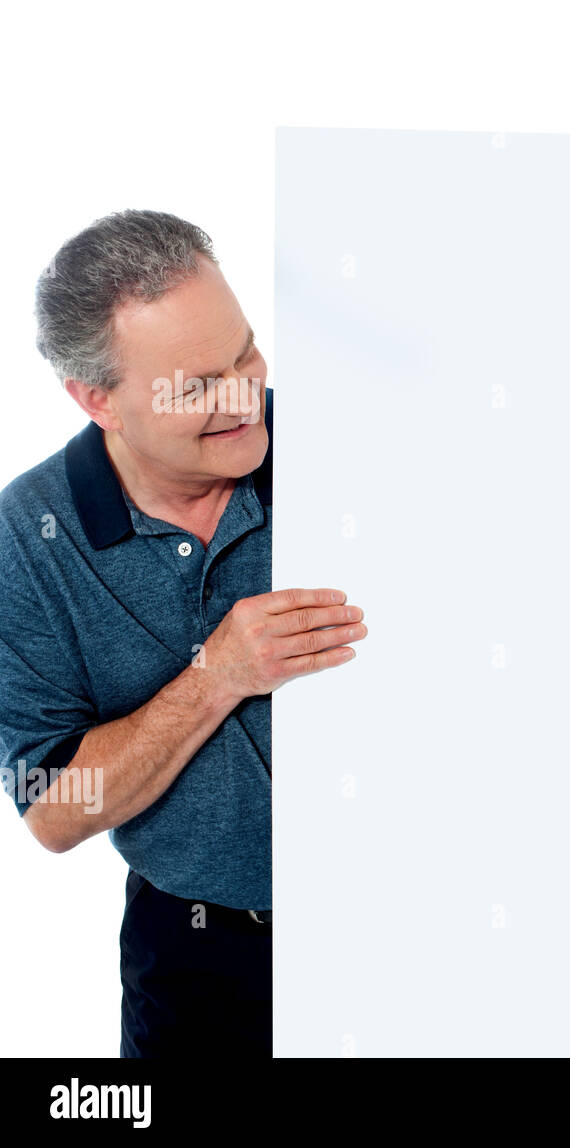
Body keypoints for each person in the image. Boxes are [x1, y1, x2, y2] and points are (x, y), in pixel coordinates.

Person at [0, 209, 368, 1056]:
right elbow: (53, 813)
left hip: (403, 922)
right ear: (98, 401)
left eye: (245, 352)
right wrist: (218, 676)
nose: (245, 397)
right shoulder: (31, 533)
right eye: (197, 386)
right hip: (198, 959)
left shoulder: (350, 442)